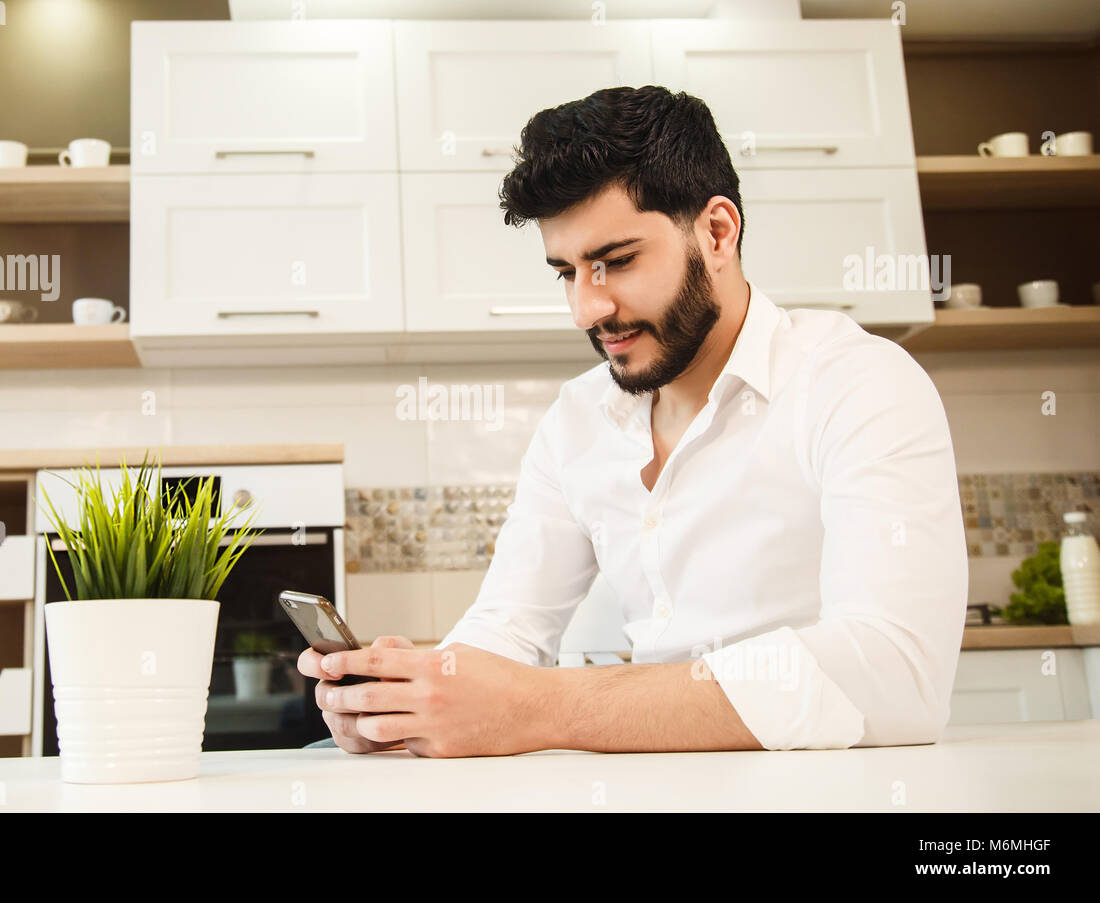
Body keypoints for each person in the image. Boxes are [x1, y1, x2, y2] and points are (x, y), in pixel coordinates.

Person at [298, 85, 967, 758]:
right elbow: (507, 626)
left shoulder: (857, 383)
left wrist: (546, 707)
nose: (588, 309)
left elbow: (897, 673)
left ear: (716, 232)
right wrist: (413, 700)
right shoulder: (577, 420)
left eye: (616, 262)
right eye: (567, 272)